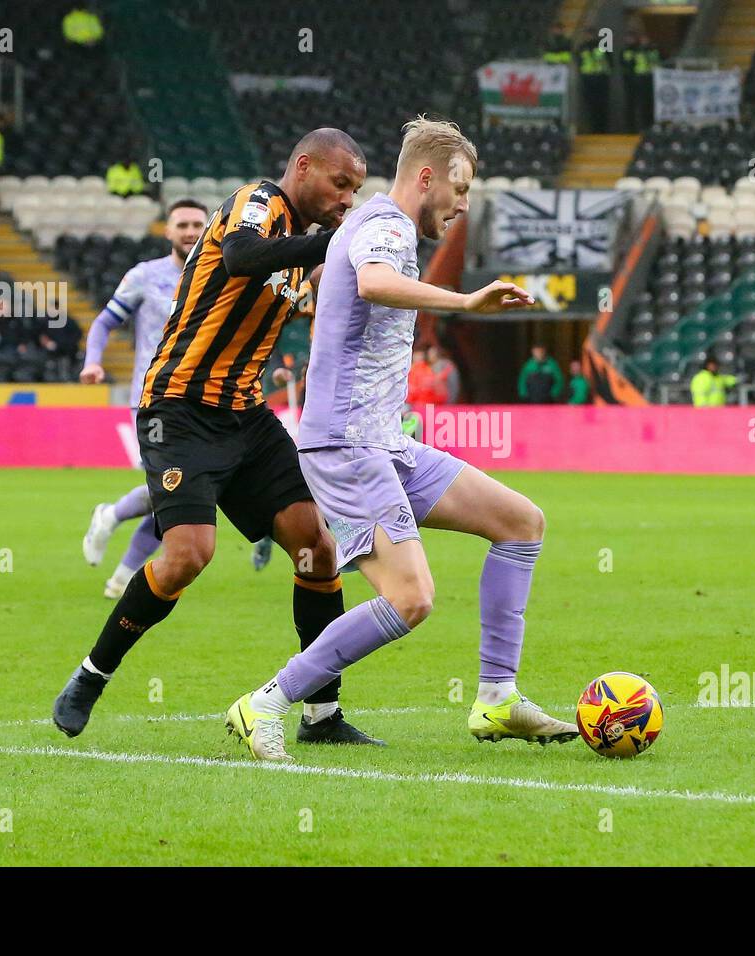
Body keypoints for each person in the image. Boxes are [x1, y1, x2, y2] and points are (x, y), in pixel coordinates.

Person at [225, 117, 574, 762]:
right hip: (347, 446)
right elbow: (372, 283)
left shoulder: (375, 228)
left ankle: (497, 698)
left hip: (384, 441)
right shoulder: (384, 225)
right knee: (410, 598)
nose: (463, 204)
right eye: (460, 188)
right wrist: (466, 302)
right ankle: (265, 703)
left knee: (521, 522)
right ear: (425, 176)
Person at [52, 127, 384, 748]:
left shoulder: (310, 252)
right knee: (188, 555)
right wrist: (325, 242)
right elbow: (239, 257)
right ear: (303, 167)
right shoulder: (257, 203)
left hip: (246, 415)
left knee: (316, 548)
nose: (347, 199)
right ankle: (92, 675)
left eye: (356, 192)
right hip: (177, 407)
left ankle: (321, 715)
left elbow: (315, 311)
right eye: (340, 184)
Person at [80, 200, 207, 598]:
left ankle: (121, 573)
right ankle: (115, 524)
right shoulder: (145, 276)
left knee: (178, 493)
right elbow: (104, 322)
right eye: (181, 224)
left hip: (204, 400)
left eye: (197, 224)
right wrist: (93, 362)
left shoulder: (220, 275)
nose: (189, 231)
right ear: (167, 231)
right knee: (175, 488)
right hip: (155, 399)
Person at [621, 29, 659, 132]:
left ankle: (647, 126)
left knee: (647, 104)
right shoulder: (635, 51)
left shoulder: (651, 50)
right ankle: (633, 128)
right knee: (634, 104)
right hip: (637, 80)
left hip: (648, 79)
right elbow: (628, 64)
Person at [576, 30, 614, 134]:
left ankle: (603, 129)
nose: (589, 37)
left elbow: (610, 61)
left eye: (590, 34)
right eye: (587, 35)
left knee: (602, 106)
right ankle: (593, 130)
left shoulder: (602, 46)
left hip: (601, 79)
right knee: (590, 107)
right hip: (588, 80)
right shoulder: (582, 47)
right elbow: (579, 62)